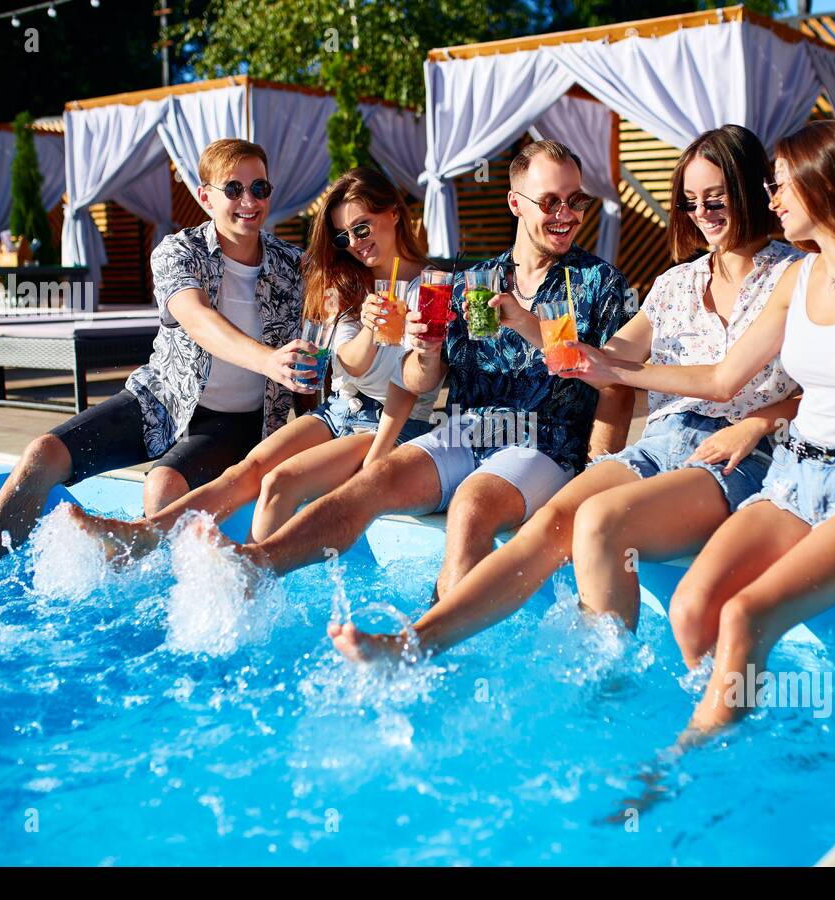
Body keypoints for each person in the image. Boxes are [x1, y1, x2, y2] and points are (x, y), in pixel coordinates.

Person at [328, 125, 803, 661]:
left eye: (715, 199)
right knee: (553, 524)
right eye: (690, 202)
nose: (702, 214)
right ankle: (417, 643)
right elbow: (591, 362)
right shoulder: (677, 282)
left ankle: (607, 686)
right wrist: (530, 324)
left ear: (747, 191)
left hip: (735, 453)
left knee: (594, 522)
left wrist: (762, 419)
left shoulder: (795, 275)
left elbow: (830, 387)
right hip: (663, 443)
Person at [570, 119, 835, 737]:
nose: (771, 199)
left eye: (780, 186)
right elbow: (722, 380)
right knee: (690, 608)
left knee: (745, 614)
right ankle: (749, 727)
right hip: (791, 477)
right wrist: (615, 367)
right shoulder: (799, 276)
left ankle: (689, 757)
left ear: (822, 184)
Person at [180, 140, 635, 602]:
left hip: (544, 442)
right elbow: (421, 382)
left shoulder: (597, 284)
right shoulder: (473, 281)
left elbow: (614, 385)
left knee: (471, 505)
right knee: (372, 481)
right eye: (551, 201)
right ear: (516, 203)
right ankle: (259, 563)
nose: (567, 213)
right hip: (464, 432)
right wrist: (426, 349)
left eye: (575, 200)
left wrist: (596, 475)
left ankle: (430, 641)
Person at [0, 138, 308, 572]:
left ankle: (155, 605)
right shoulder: (179, 252)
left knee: (162, 486)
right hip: (162, 398)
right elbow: (195, 317)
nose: (248, 201)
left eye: (260, 188)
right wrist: (267, 360)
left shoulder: (293, 265)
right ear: (205, 197)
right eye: (233, 189)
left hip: (235, 421)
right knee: (42, 453)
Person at [65, 166, 438, 553]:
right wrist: (371, 328)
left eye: (363, 228)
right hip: (340, 410)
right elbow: (352, 365)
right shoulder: (349, 282)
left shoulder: (432, 289)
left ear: (394, 212)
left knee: (279, 482)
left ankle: (248, 573)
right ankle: (144, 533)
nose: (355, 244)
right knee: (248, 470)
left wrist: (377, 461)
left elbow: (411, 382)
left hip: (392, 425)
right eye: (344, 236)